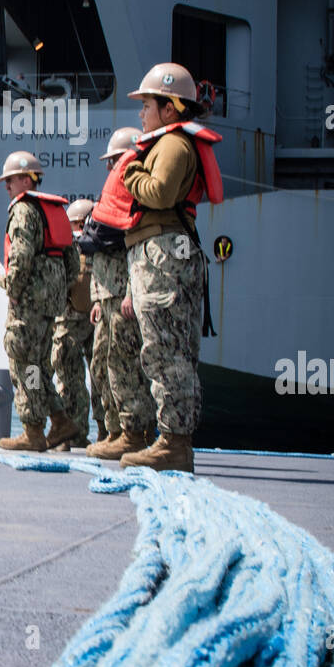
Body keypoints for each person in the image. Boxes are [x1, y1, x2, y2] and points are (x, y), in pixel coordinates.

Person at [88, 64, 223, 473]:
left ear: (170, 108)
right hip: (155, 253)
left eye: (147, 106)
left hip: (163, 254)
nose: (142, 114)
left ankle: (174, 444)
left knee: (167, 351)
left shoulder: (173, 146)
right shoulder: (167, 143)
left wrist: (129, 170)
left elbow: (160, 193)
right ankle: (165, 439)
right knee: (160, 349)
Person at [0, 151, 81, 453]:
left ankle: (32, 430)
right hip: (51, 302)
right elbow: (73, 261)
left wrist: (14, 290)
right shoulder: (52, 211)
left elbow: (20, 254)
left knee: (22, 362)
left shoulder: (23, 211)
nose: (7, 186)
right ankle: (59, 420)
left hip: (29, 300)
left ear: (27, 178)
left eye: (11, 180)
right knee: (40, 367)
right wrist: (58, 290)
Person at [79, 129, 156, 460]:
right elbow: (100, 256)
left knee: (126, 365)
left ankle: (134, 433)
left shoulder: (136, 202)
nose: (111, 168)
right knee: (105, 364)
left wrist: (128, 293)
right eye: (111, 163)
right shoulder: (117, 198)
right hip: (107, 297)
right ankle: (116, 431)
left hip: (123, 297)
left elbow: (135, 253)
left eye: (115, 161)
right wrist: (97, 298)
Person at [50, 199, 95, 450]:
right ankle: (93, 433)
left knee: (68, 378)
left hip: (68, 318)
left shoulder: (69, 245)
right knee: (99, 378)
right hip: (95, 315)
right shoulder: (100, 246)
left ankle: (67, 436)